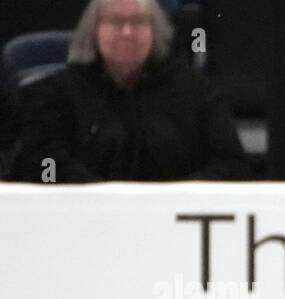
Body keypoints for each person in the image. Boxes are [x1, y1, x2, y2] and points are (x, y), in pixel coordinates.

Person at [14, 0, 249, 182]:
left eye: (138, 22)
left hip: (175, 219)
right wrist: (111, 201)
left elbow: (231, 166)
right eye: (115, 21)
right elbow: (44, 166)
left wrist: (170, 200)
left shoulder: (198, 92)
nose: (127, 32)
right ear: (93, 30)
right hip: (80, 218)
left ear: (155, 30)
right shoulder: (55, 94)